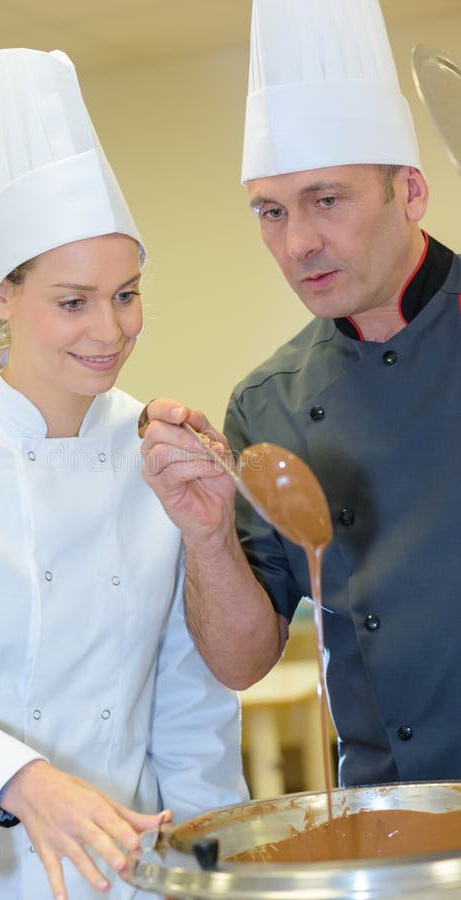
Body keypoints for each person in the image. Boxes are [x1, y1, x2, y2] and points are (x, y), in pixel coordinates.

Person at [0, 48, 247, 900]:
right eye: (72, 301)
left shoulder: (157, 451)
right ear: (3, 293)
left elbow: (188, 700)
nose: (108, 329)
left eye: (127, 293)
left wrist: (216, 871)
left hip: (127, 873)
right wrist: (19, 780)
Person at [139, 0, 461, 790]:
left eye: (326, 200)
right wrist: (207, 537)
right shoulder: (269, 403)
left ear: (409, 191)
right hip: (391, 810)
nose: (297, 242)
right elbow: (242, 663)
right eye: (270, 212)